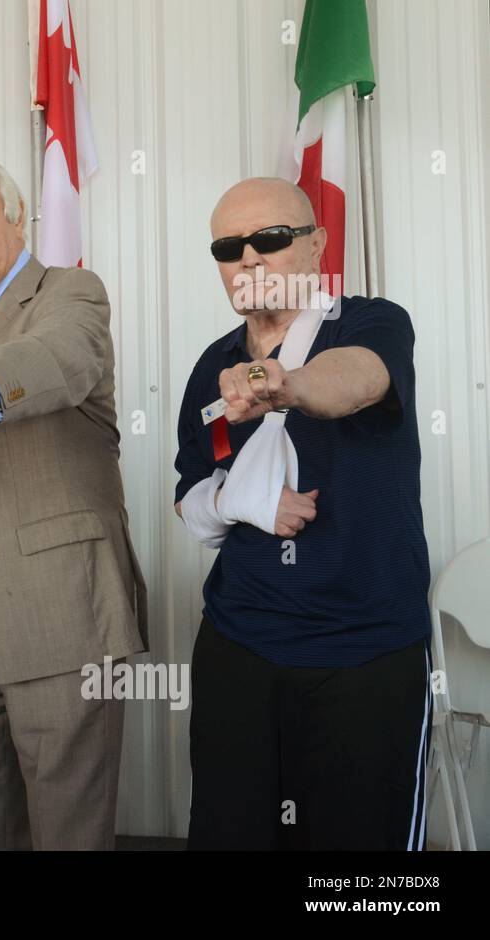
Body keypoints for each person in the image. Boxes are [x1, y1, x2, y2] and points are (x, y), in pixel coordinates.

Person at [175, 177, 431, 850]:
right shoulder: (213, 367)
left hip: (364, 650)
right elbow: (195, 493)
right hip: (240, 646)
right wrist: (247, 501)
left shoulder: (370, 322)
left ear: (316, 245)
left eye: (271, 239)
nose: (250, 259)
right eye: (230, 247)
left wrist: (288, 384)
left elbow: (356, 380)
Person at [0, 154, 147, 850]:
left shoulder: (71, 293)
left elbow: (59, 359)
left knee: (67, 832)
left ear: (16, 217)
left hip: (59, 612)